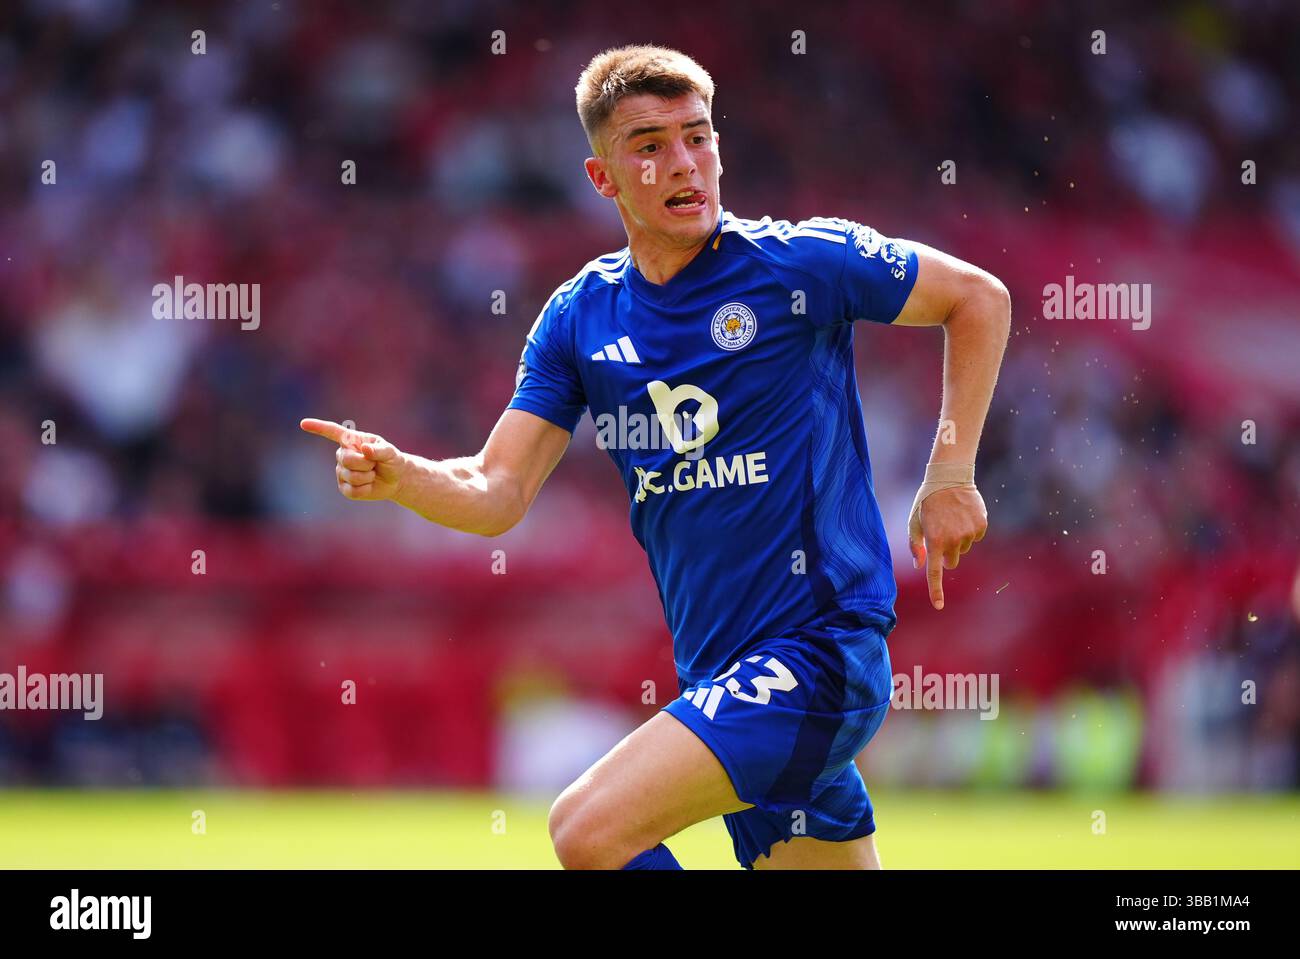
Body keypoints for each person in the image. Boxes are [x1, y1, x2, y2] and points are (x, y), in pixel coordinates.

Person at [301, 44, 1010, 869]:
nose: (683, 162)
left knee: (586, 828)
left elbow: (977, 297)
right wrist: (403, 476)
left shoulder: (798, 264)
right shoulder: (580, 318)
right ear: (602, 178)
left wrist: (950, 472)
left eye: (697, 136)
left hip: (818, 657)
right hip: (721, 675)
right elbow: (496, 488)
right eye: (649, 145)